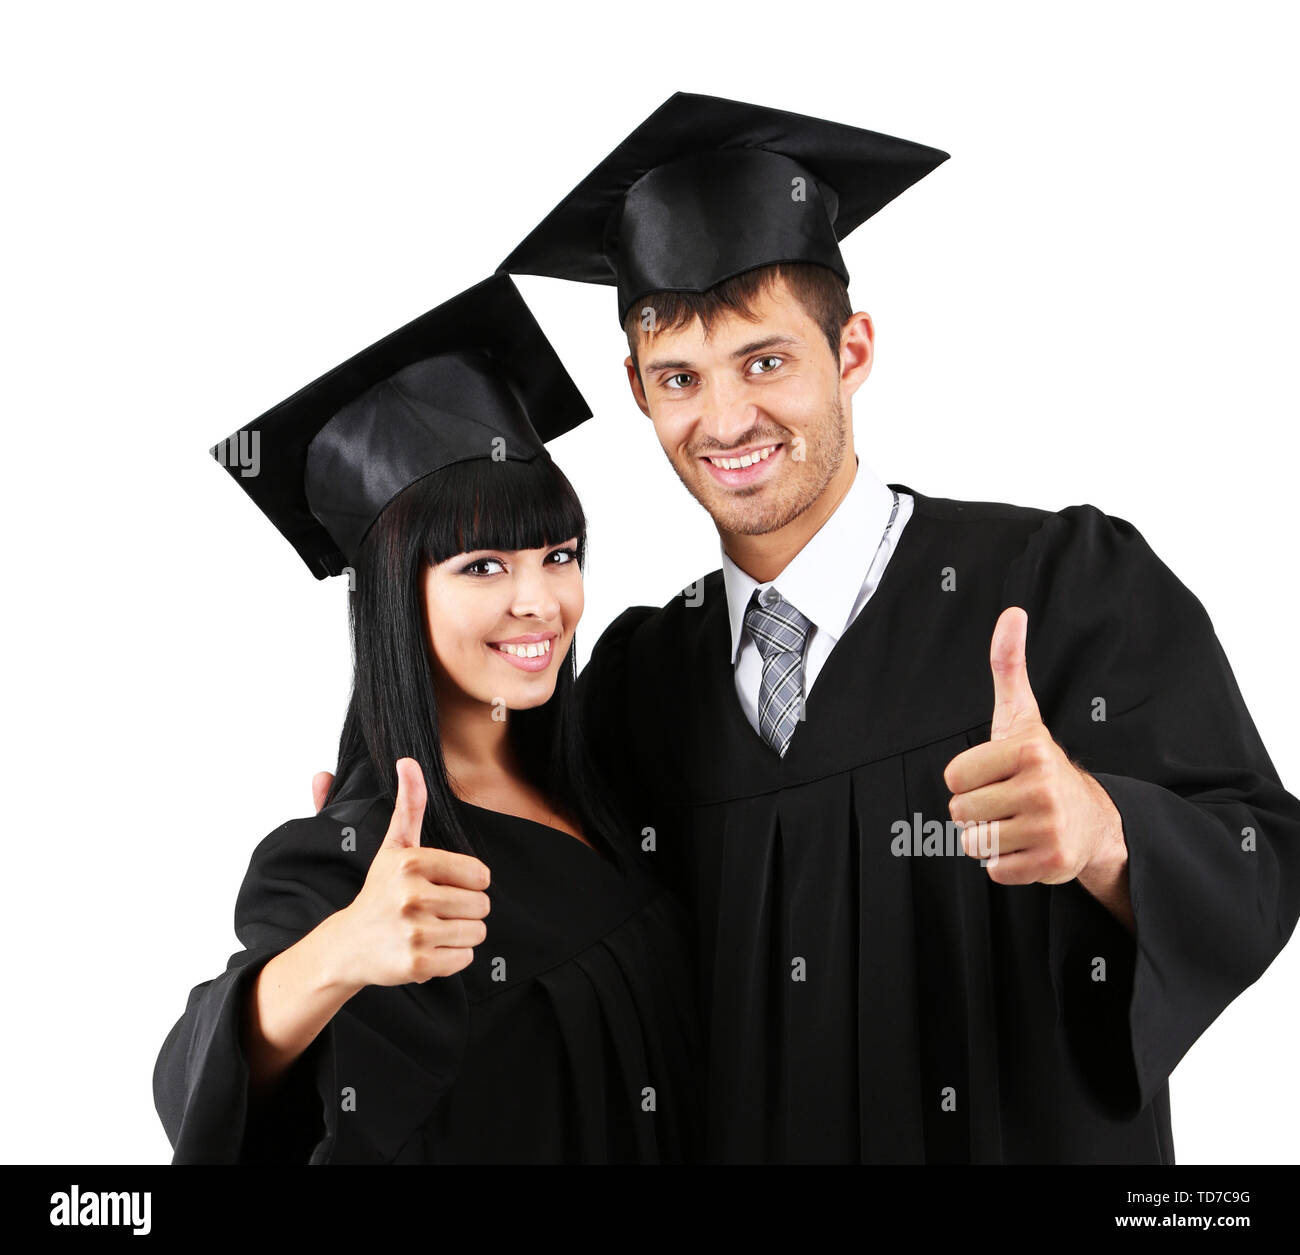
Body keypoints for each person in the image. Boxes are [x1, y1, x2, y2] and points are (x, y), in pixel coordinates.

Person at [494, 92, 1300, 1163]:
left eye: (765, 360)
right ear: (637, 392)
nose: (726, 420)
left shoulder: (1058, 586)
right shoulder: (631, 690)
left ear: (854, 349)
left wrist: (1107, 833)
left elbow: (1259, 857)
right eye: (680, 377)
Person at [153, 274, 700, 1164]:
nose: (540, 602)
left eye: (558, 554)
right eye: (482, 567)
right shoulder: (365, 858)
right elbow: (195, 1089)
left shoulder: (597, 764)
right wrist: (338, 952)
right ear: (395, 600)